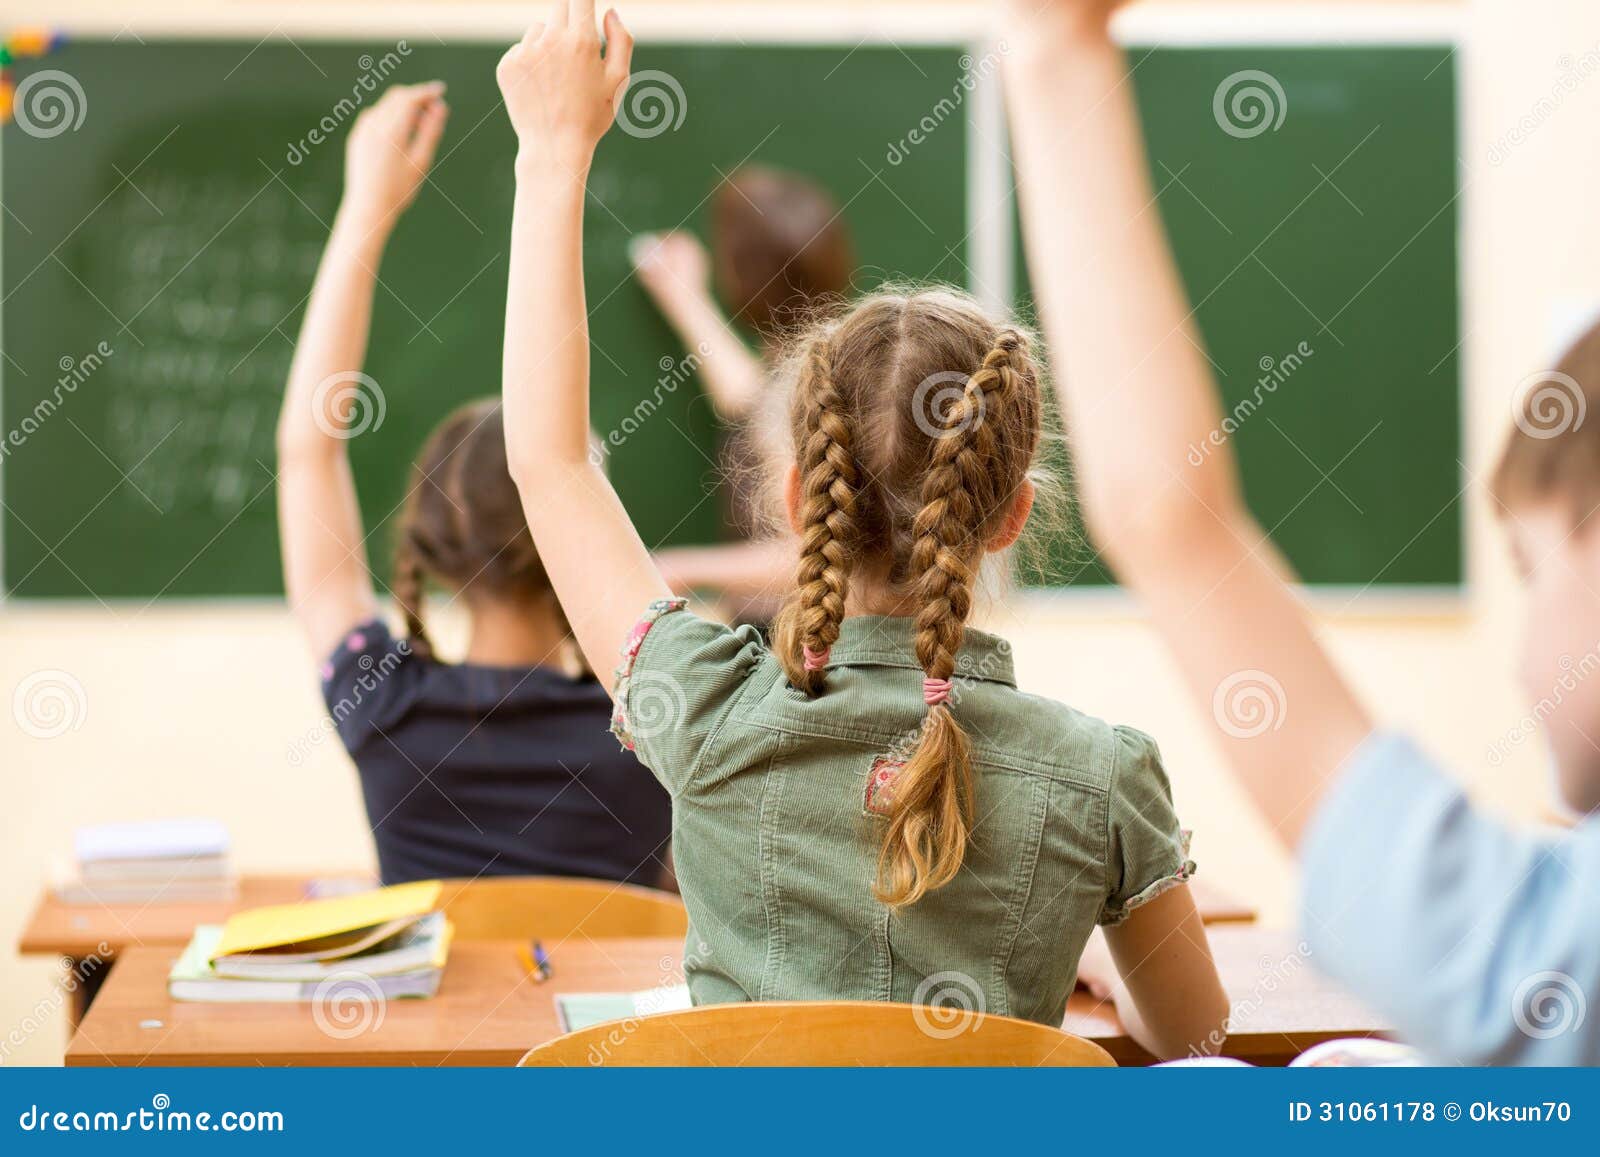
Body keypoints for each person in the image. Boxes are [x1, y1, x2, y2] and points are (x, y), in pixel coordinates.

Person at [491, 3, 1228, 1059]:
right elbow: (1195, 1037)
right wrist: (1099, 947)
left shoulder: (700, 707)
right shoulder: (1101, 774)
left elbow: (549, 466)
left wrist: (550, 155)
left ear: (796, 503)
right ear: (1014, 512)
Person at [1004, 0, 1600, 1063]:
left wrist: (1056, 49)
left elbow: (1167, 515)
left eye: (1533, 566)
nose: (1519, 652)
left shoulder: (1561, 950)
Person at [274, 80, 671, 887]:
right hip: (604, 1022)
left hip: (431, 1021)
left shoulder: (382, 707)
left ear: (435, 541)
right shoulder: (661, 718)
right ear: (579, 539)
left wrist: (366, 210)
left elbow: (307, 454)